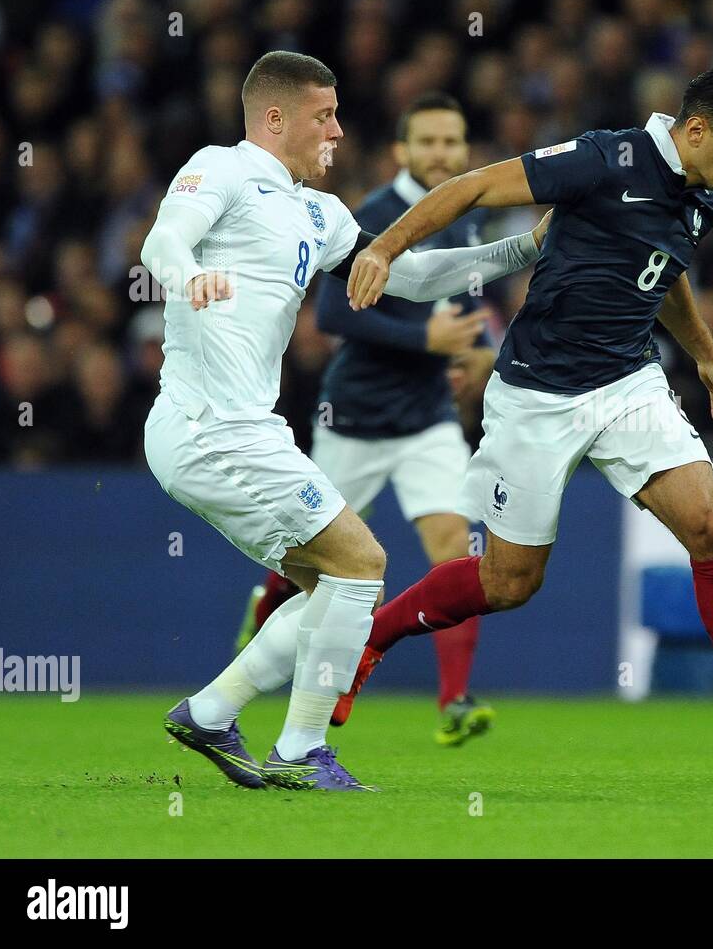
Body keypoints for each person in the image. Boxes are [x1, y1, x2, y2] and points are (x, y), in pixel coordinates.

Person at [343, 66, 713, 776]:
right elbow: (474, 186)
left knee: (709, 525)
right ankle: (372, 637)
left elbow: (661, 270)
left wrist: (707, 356)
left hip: (627, 382)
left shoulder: (705, 191)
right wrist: (385, 248)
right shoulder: (605, 159)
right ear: (695, 131)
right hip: (535, 394)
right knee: (509, 583)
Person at [141, 51, 546, 791]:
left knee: (329, 583)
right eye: (322, 114)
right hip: (207, 425)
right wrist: (186, 274)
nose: (336, 128)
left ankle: (211, 711)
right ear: (274, 118)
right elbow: (161, 240)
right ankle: (299, 749)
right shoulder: (222, 169)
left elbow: (412, 276)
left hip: (243, 430)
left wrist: (522, 246)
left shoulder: (318, 212)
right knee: (362, 563)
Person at [236, 93, 499, 746]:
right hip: (352, 419)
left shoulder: (466, 219)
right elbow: (331, 315)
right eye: (428, 142)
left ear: (466, 150)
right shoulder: (376, 216)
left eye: (452, 141)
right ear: (401, 152)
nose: (442, 153)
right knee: (313, 559)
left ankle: (455, 700)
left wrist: (469, 351)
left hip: (429, 420)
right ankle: (267, 607)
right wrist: (425, 343)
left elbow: (453, 312)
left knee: (455, 547)